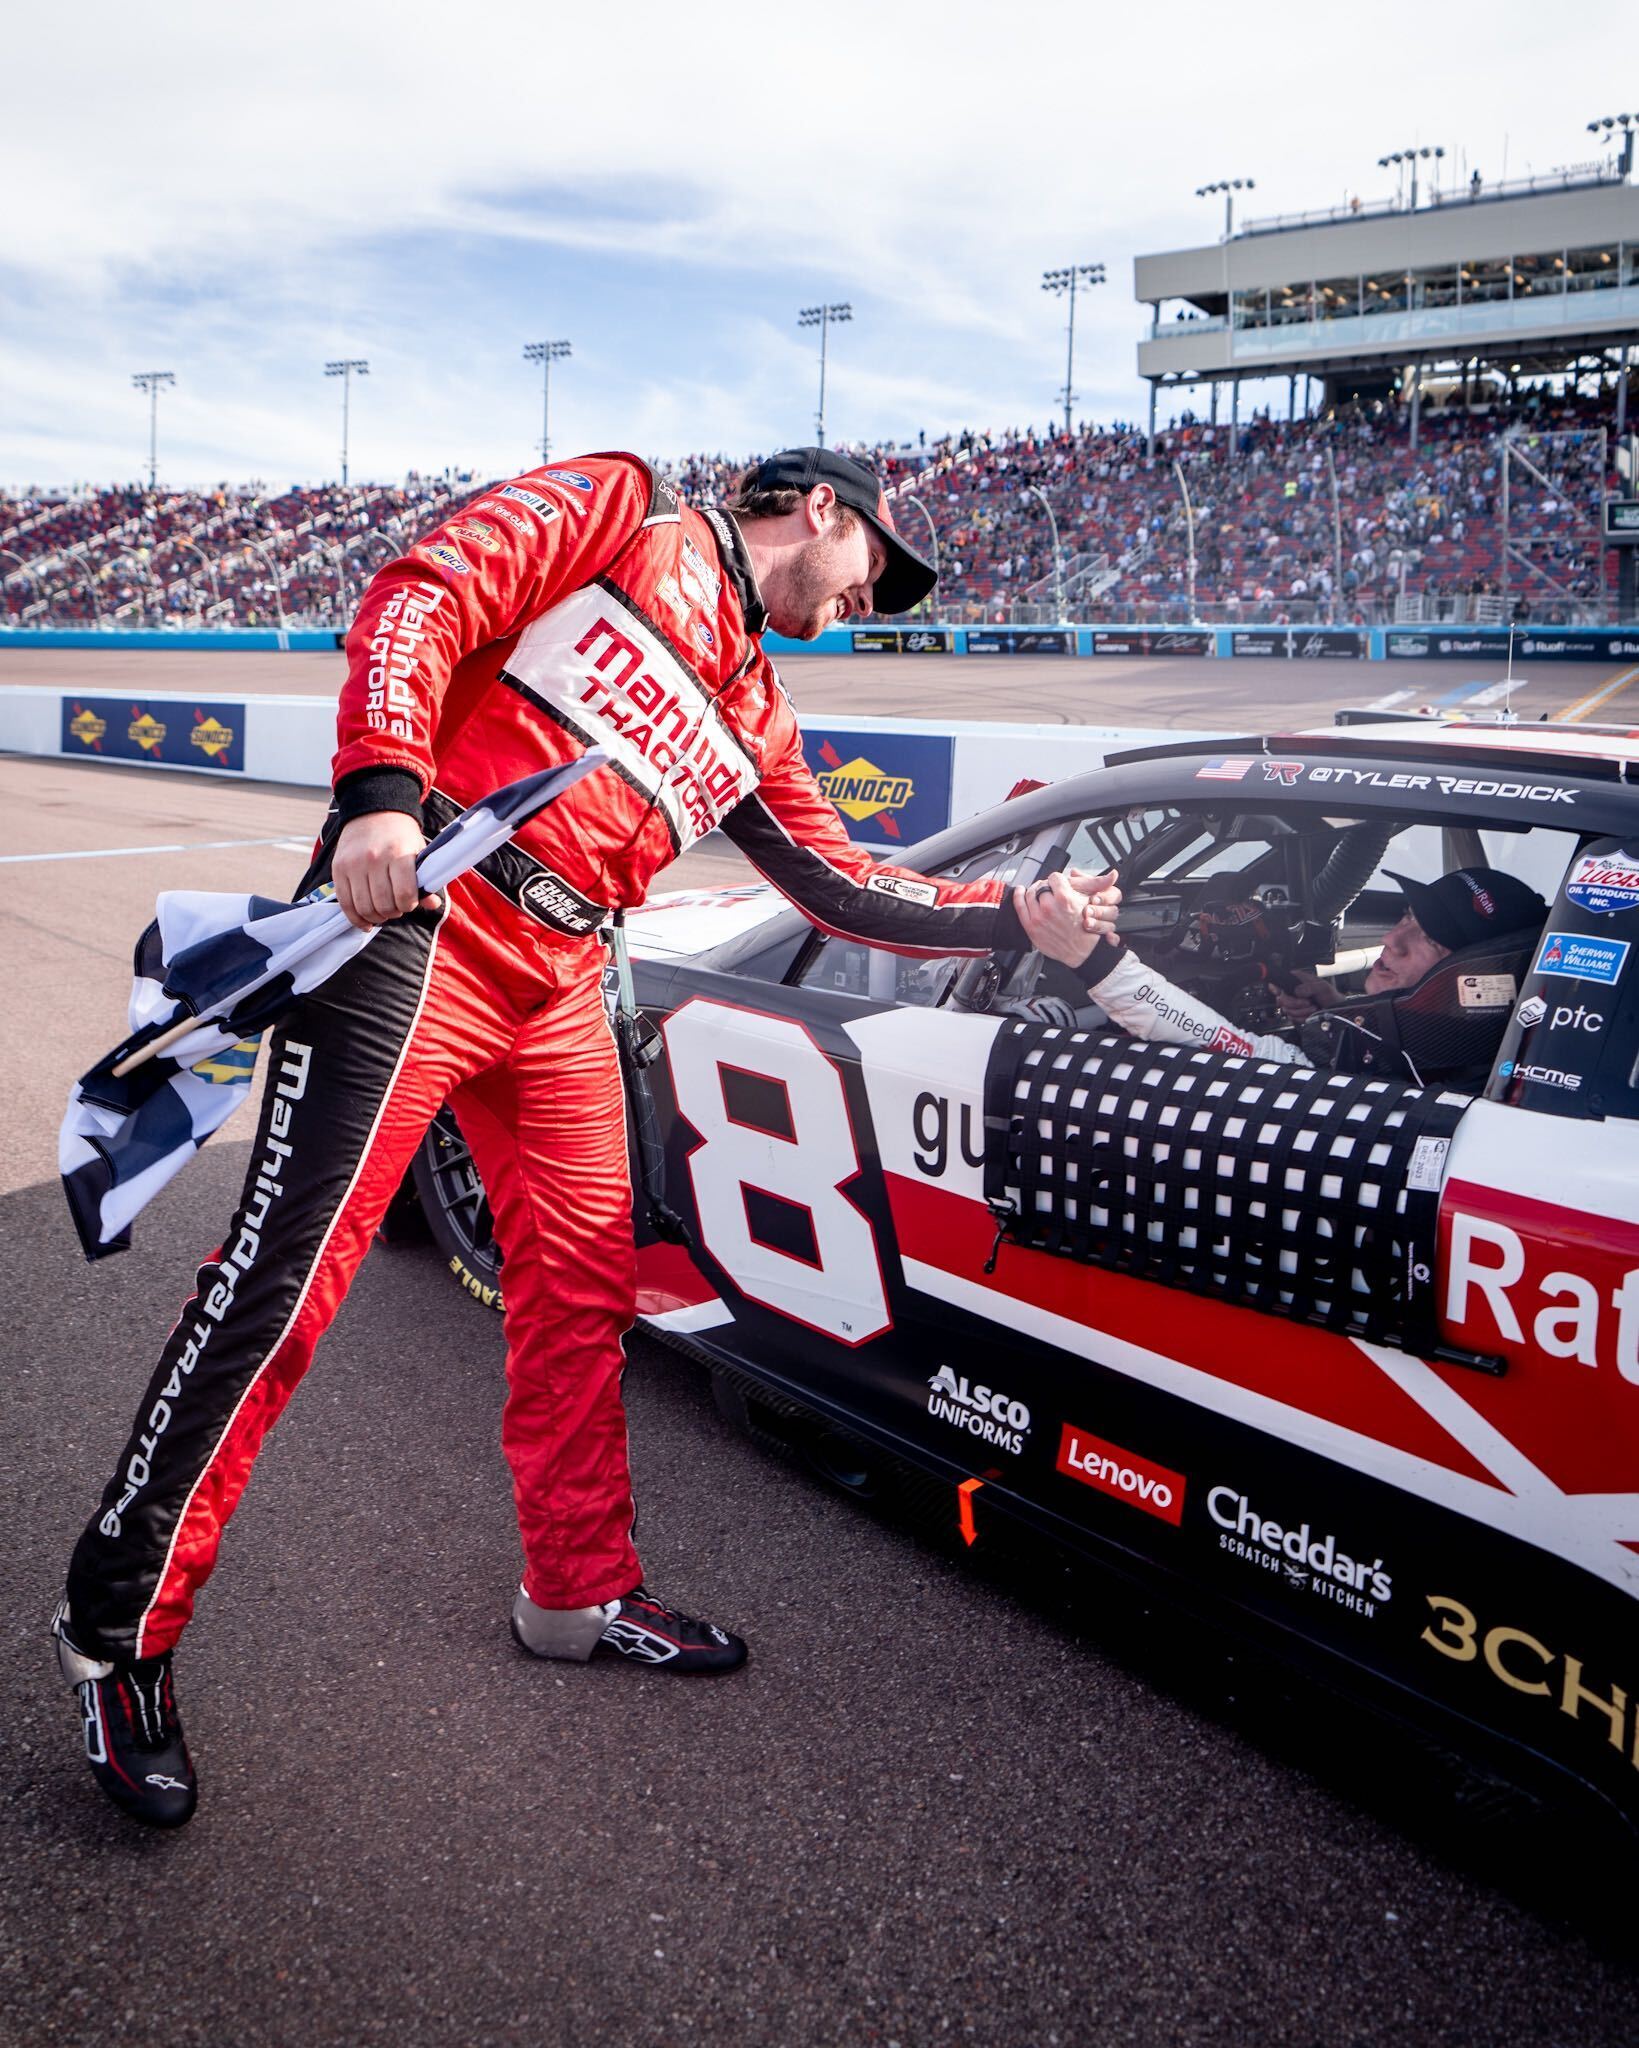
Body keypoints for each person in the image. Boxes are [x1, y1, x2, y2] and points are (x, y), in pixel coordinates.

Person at [54, 446, 1107, 1828]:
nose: (872, 603)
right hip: (420, 916)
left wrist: (1009, 921)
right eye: (874, 575)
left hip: (561, 975)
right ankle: (116, 1630)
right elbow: (423, 595)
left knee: (584, 1287)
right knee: (286, 1288)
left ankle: (576, 1589)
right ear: (821, 513)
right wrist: (377, 784)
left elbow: (842, 887)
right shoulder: (626, 506)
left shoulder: (752, 701)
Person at [1017, 864, 1548, 1069]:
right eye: (1406, 916)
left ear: (1472, 982)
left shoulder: (1417, 1072)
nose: (1392, 938)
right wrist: (1340, 1008)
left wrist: (1089, 958)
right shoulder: (1474, 1049)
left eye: (1427, 937)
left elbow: (1249, 1053)